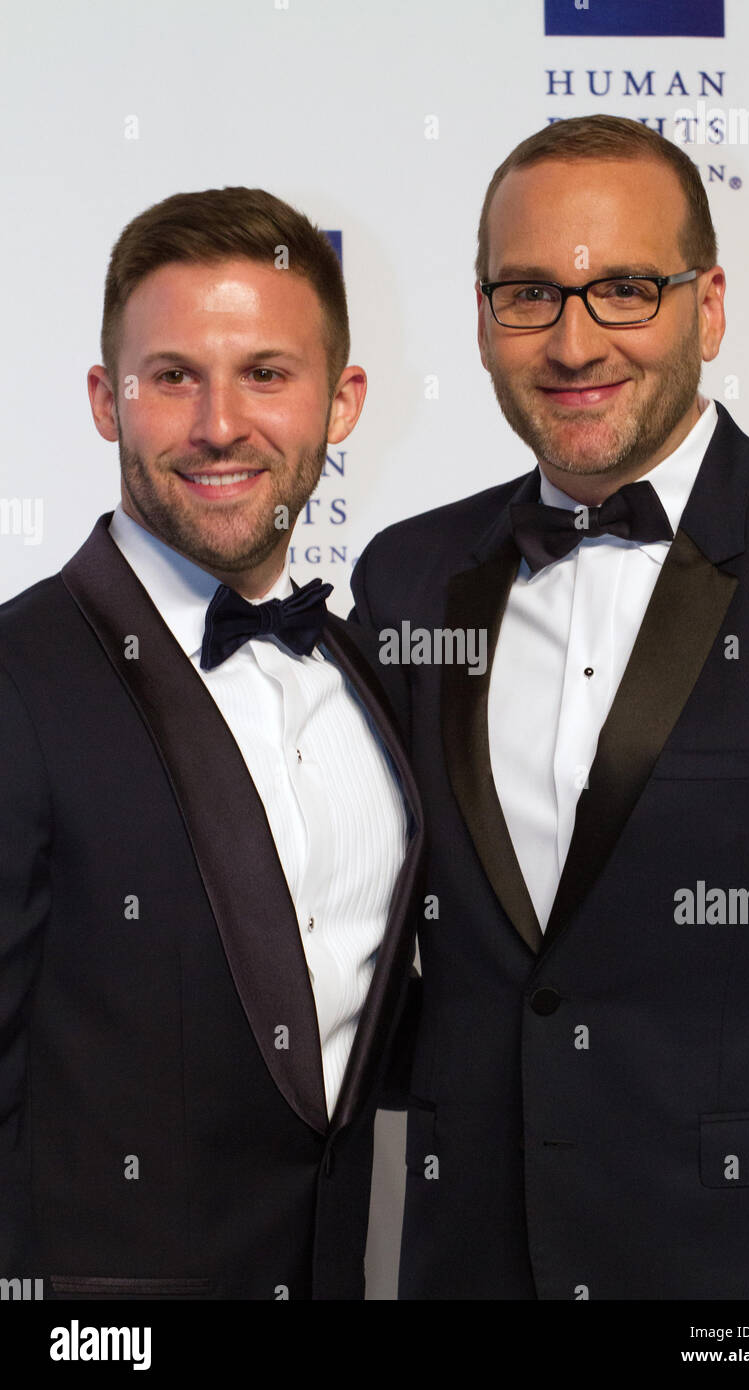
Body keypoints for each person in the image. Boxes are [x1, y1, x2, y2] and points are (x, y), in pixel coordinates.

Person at [351, 115, 749, 1300]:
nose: (573, 341)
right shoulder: (406, 576)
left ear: (709, 305)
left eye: (624, 288)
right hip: (473, 1261)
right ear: (480, 318)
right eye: (529, 293)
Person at [0, 187, 424, 1300]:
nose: (220, 423)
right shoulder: (17, 678)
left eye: (266, 374)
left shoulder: (371, 675)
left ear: (342, 401)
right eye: (174, 375)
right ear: (107, 399)